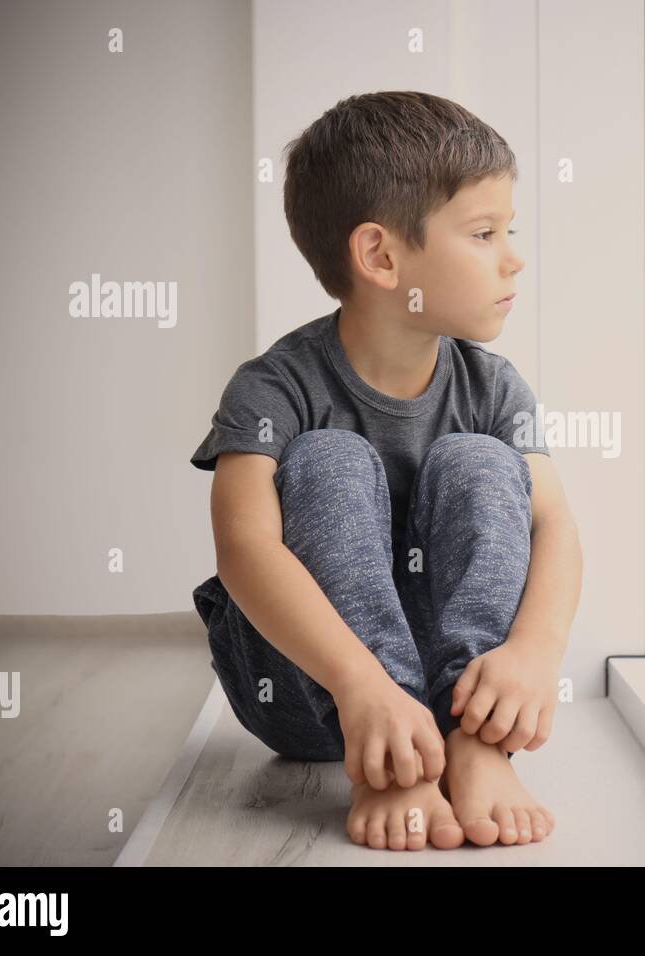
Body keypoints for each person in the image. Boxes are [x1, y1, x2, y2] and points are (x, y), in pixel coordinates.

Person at [189, 91, 582, 851]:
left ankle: (472, 744)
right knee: (328, 458)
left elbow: (555, 523)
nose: (514, 255)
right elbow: (243, 548)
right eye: (483, 232)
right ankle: (392, 764)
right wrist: (362, 685)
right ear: (380, 256)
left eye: (510, 230)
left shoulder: (492, 387)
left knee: (482, 460)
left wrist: (535, 650)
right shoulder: (274, 387)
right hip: (312, 691)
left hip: (455, 693)